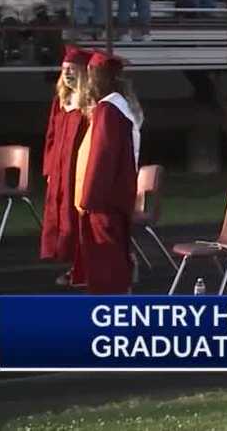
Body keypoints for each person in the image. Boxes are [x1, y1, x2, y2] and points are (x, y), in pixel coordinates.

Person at [73, 52, 140, 294]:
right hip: (116, 197)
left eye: (92, 75)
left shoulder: (108, 111)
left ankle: (110, 312)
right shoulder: (119, 108)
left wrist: (89, 200)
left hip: (103, 202)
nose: (88, 82)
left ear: (100, 79)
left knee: (105, 261)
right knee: (114, 257)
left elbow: (102, 158)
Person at [41, 46, 91, 285]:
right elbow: (51, 136)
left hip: (77, 171)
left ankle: (80, 269)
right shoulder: (60, 100)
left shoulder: (89, 103)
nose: (68, 74)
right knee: (60, 220)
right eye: (64, 70)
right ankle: (71, 265)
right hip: (60, 172)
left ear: (83, 72)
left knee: (75, 221)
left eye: (73, 69)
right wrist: (49, 170)